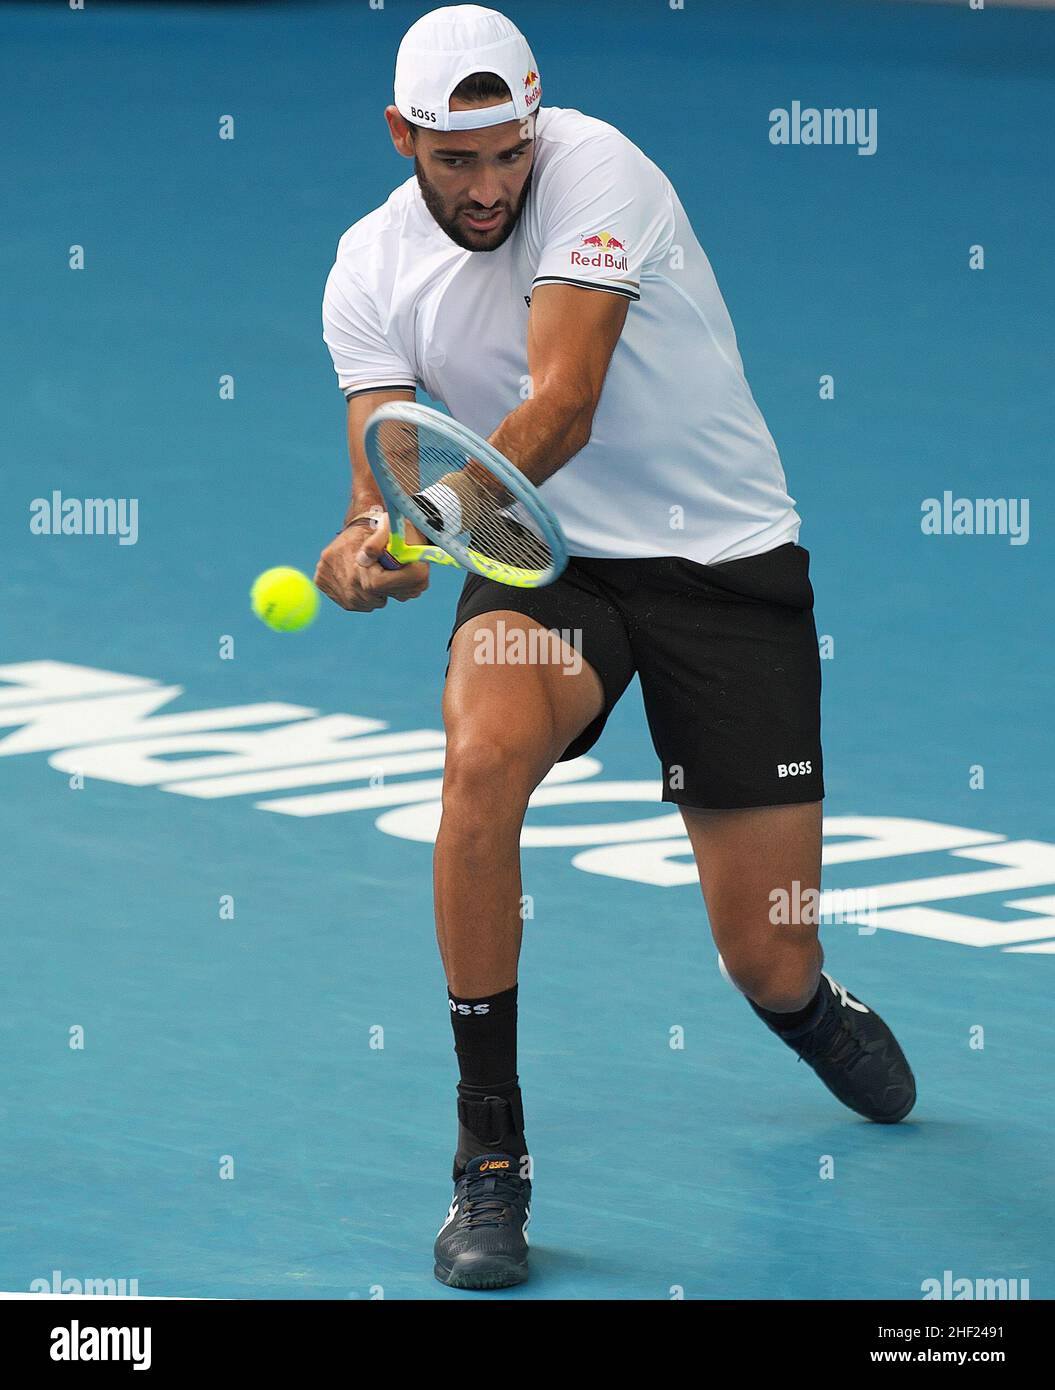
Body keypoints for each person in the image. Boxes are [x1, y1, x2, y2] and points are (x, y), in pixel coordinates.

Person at [315, 3, 915, 1292]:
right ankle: (490, 1159)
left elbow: (561, 405)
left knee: (765, 953)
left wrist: (423, 528)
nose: (486, 188)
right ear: (402, 137)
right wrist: (365, 545)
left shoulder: (599, 169)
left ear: (535, 125)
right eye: (452, 159)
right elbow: (391, 461)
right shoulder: (365, 270)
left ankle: (804, 1008)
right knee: (479, 766)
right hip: (549, 568)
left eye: (504, 153)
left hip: (721, 562)